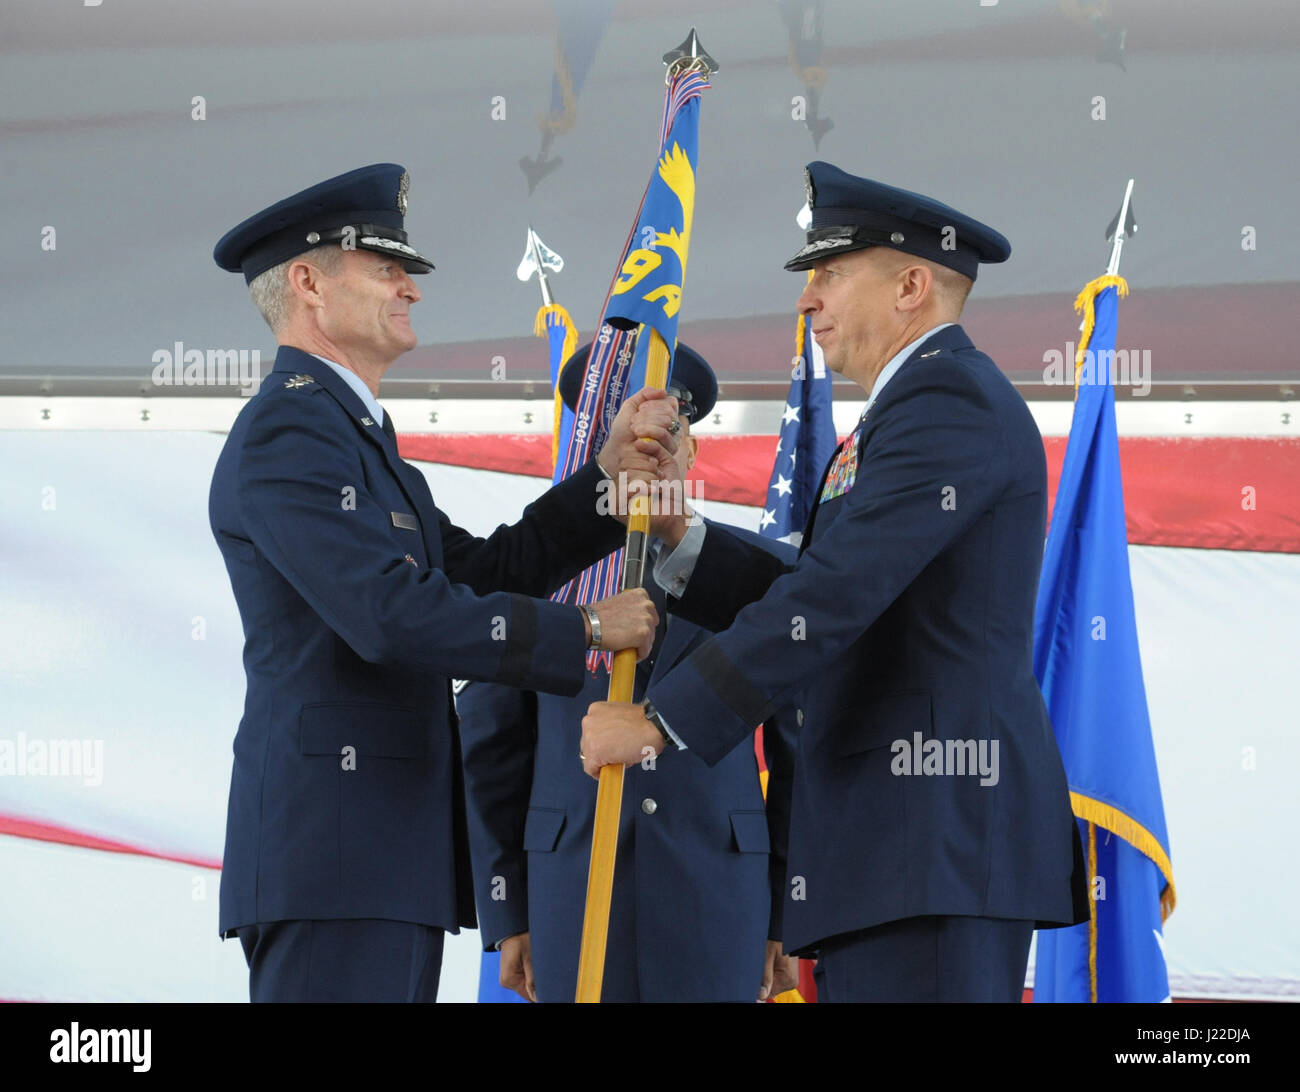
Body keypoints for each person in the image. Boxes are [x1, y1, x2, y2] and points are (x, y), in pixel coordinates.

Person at [580, 161, 1090, 1003]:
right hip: (898, 852)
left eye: (829, 273)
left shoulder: (945, 404)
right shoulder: (917, 405)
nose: (806, 300)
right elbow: (830, 583)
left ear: (912, 286)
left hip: (934, 842)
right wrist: (684, 538)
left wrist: (660, 723)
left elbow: (835, 597)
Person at [208, 162, 675, 1002]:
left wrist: (607, 484)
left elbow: (483, 569)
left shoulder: (352, 435)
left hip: (382, 858)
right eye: (387, 268)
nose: (411, 290)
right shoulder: (290, 431)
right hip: (338, 860)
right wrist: (588, 632)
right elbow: (389, 616)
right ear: (309, 283)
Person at [457, 343, 801, 1003]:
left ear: (695, 452)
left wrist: (786, 910)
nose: (650, 456)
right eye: (629, 440)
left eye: (667, 437)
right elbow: (492, 742)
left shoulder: (764, 575)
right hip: (569, 892)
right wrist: (507, 910)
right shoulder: (533, 570)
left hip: (721, 895)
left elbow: (800, 748)